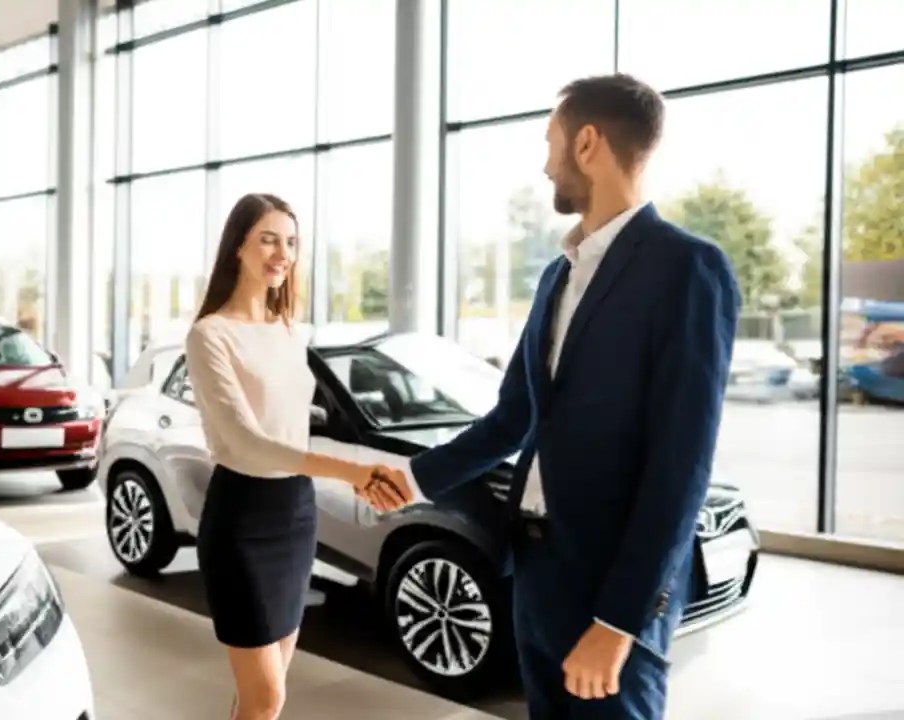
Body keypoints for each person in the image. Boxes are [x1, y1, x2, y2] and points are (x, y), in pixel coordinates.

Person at [377, 74, 741, 718]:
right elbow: (513, 417)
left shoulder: (688, 268)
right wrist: (410, 477)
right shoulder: (558, 274)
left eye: (552, 142)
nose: (546, 164)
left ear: (588, 143)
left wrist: (620, 620)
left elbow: (680, 468)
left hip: (611, 589)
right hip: (536, 573)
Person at [183, 192, 410, 720]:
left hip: (295, 514)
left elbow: (294, 424)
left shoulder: (289, 330)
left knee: (262, 695)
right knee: (268, 698)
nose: (281, 252)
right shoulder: (209, 335)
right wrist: (348, 471)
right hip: (242, 520)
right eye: (267, 239)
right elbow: (247, 442)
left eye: (290, 241)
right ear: (237, 246)